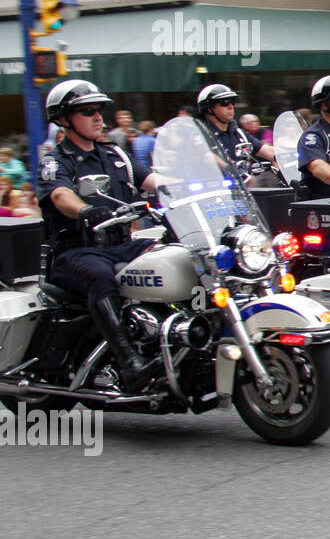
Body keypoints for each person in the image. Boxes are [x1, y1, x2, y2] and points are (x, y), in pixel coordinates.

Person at [36, 80, 166, 392]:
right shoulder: (57, 160)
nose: (97, 117)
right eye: (86, 111)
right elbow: (60, 196)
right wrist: (83, 210)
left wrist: (195, 186)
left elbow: (153, 180)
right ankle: (129, 361)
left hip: (122, 246)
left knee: (175, 258)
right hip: (76, 254)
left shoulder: (115, 154)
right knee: (100, 277)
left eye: (99, 110)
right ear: (64, 119)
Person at [197, 84, 277, 169]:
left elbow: (266, 150)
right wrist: (230, 167)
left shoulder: (239, 134)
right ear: (209, 109)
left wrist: (287, 154)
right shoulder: (201, 134)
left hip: (242, 181)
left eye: (232, 102)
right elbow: (207, 156)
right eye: (224, 103)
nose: (230, 106)